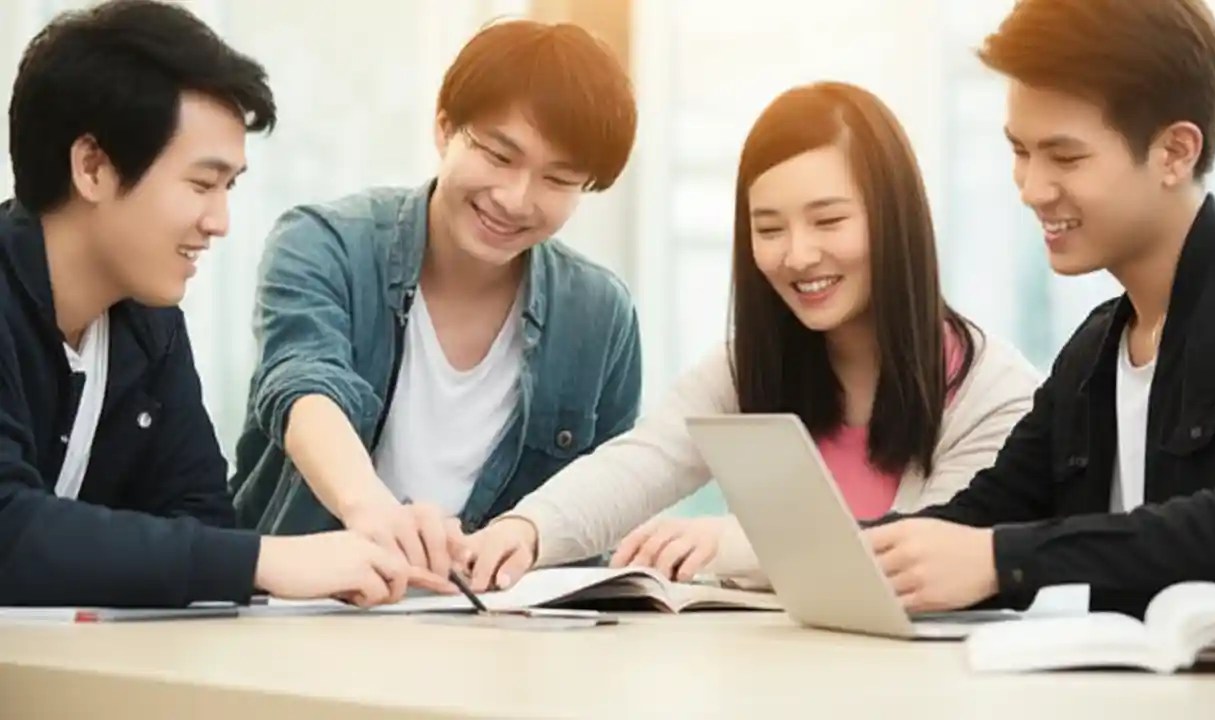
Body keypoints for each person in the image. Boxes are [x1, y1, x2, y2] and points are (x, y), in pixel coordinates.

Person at [461, 81, 1041, 592]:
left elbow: (927, 556)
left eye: (829, 220)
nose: (798, 255)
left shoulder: (993, 391)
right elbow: (643, 462)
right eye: (769, 228)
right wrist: (527, 529)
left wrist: (731, 544)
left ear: (894, 217)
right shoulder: (747, 368)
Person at [857, 0, 1215, 616]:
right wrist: (815, 553)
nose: (1032, 189)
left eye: (1065, 157)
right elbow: (980, 519)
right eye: (1020, 152)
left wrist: (1002, 558)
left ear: (1175, 152)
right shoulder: (1093, 351)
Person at [0, 0, 420, 608]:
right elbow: (9, 532)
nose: (219, 222)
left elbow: (199, 516)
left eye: (228, 188)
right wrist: (266, 560)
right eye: (201, 184)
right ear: (92, 167)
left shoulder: (148, 324)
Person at [230, 19, 641, 586]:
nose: (515, 199)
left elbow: (605, 497)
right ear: (445, 128)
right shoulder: (325, 245)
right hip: (307, 608)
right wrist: (372, 511)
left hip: (502, 626)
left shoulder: (600, 315)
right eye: (499, 156)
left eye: (558, 180)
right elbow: (302, 385)